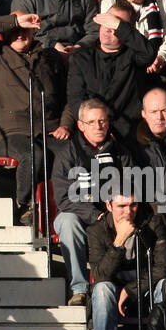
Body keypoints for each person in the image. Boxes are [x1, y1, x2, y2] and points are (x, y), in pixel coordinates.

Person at [50, 99, 132, 306]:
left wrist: (114, 214)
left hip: (112, 215)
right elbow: (64, 198)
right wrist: (95, 215)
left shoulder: (120, 153)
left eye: (102, 121)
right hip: (78, 215)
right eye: (92, 122)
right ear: (80, 125)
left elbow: (132, 187)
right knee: (68, 222)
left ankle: (123, 284)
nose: (98, 126)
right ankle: (79, 289)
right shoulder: (66, 154)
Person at [89, 192, 166, 330]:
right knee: (102, 288)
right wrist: (119, 240)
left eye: (133, 205)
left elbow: (165, 267)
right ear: (108, 206)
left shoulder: (152, 223)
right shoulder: (96, 230)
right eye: (121, 206)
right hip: (114, 289)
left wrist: (130, 290)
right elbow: (100, 275)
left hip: (145, 286)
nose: (128, 212)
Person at [65, 2, 157, 140]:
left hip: (130, 136)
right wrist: (99, 127)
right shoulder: (81, 58)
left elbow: (149, 53)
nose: (109, 28)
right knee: (95, 161)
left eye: (115, 25)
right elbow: (76, 99)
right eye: (107, 21)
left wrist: (120, 27)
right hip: (95, 135)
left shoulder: (134, 56)